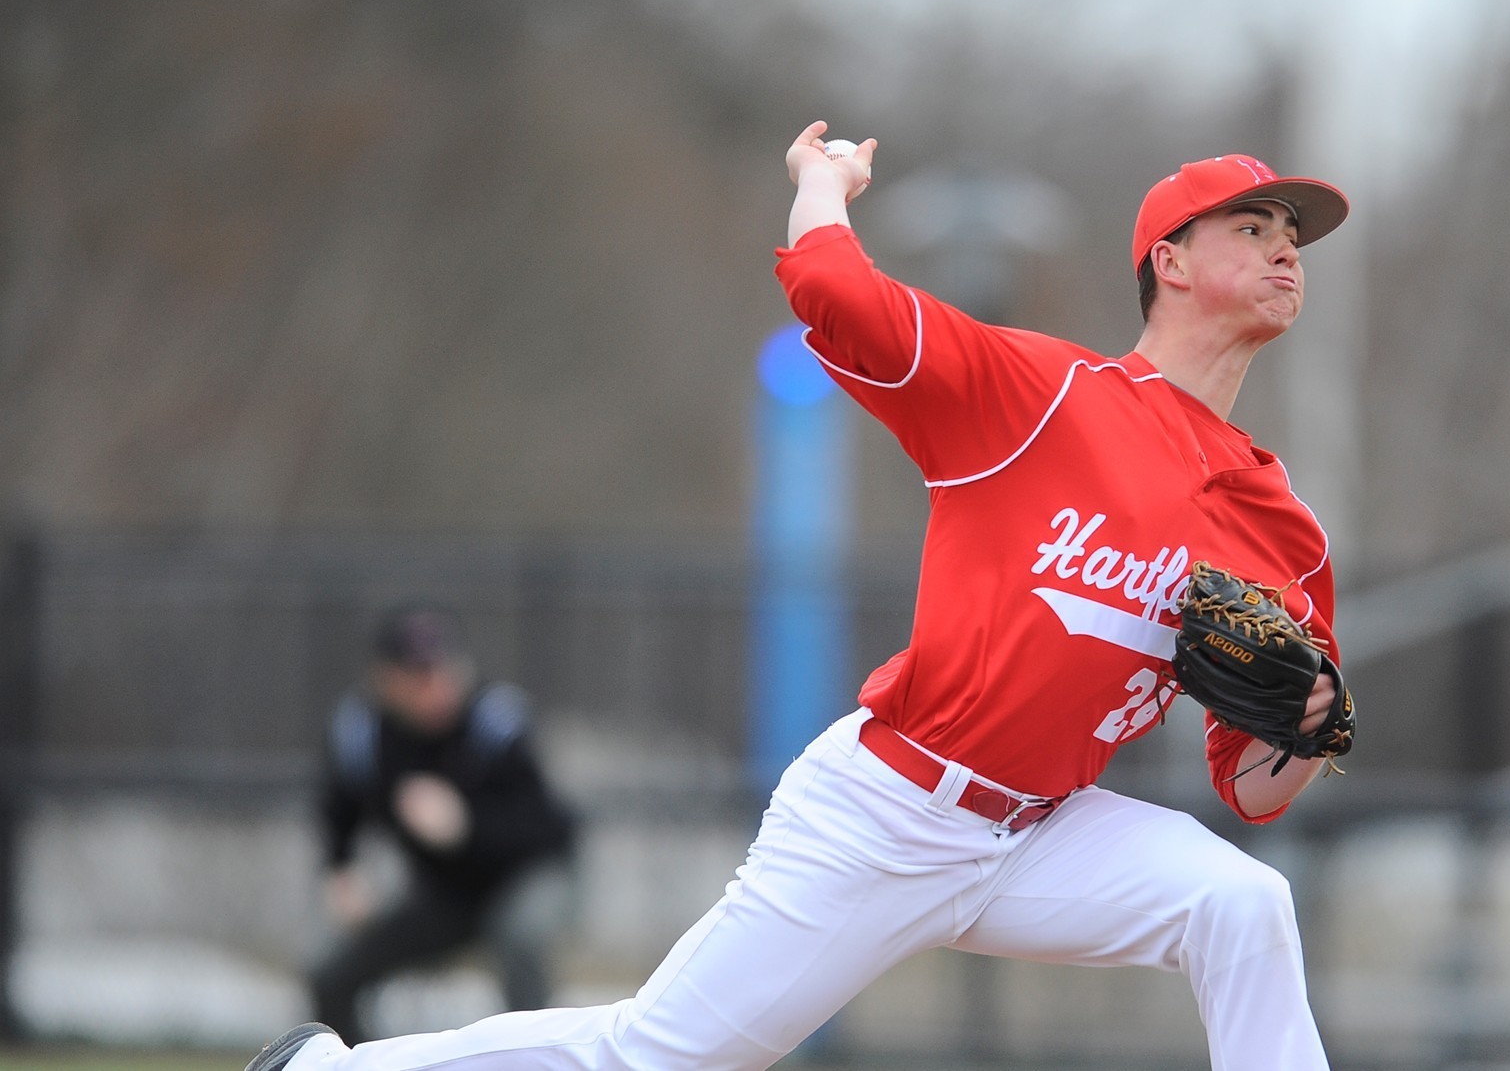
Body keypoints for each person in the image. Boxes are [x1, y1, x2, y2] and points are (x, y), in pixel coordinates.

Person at [249, 122, 1351, 1071]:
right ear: (1167, 256)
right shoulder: (1043, 393)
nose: (1282, 253)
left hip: (1047, 834)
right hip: (891, 811)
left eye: (1290, 238)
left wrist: (1300, 732)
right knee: (662, 1054)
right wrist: (822, 186)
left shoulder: (1274, 521)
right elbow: (833, 293)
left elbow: (1253, 791)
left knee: (1238, 902)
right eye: (1250, 229)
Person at [306, 604, 580, 1042]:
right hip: (447, 895)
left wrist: (465, 826)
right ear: (385, 681)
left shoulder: (494, 721)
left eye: (441, 669)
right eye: (417, 675)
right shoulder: (364, 734)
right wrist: (341, 869)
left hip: (527, 874)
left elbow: (547, 827)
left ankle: (528, 1060)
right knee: (331, 974)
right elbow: (340, 808)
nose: (434, 686)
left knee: (519, 935)